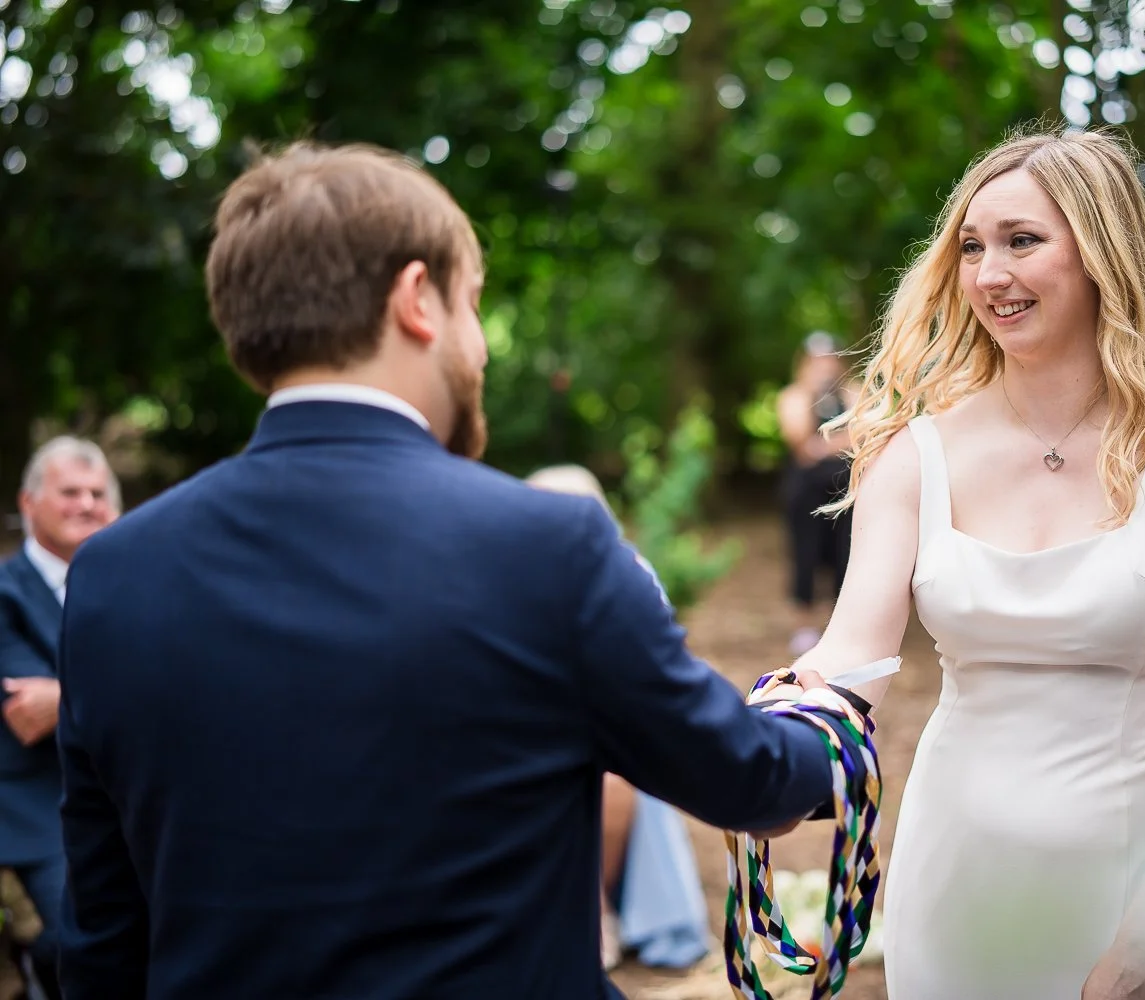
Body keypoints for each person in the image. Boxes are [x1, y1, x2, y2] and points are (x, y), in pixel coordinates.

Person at [53, 142, 866, 1000]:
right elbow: (747, 779)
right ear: (418, 301)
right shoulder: (548, 547)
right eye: (472, 304)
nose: (479, 348)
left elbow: (102, 938)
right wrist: (834, 721)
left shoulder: (113, 575)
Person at [788, 127, 1145, 998]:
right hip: (959, 881)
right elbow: (850, 655)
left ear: (1101, 255)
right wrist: (776, 735)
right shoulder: (914, 455)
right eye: (972, 247)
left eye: (1022, 241)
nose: (990, 274)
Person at [524, 465, 710, 973]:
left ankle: (594, 907)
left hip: (612, 729)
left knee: (613, 775)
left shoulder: (629, 576)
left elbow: (657, 679)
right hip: (527, 730)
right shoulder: (506, 580)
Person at [0, 436, 120, 1000]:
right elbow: (31, 714)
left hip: (133, 798)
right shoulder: (5, 595)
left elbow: (59, 703)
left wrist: (66, 693)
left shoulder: (133, 585)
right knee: (78, 942)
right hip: (40, 809)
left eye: (98, 493)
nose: (87, 504)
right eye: (70, 492)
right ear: (28, 503)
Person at [776, 332, 856, 656]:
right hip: (806, 492)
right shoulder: (795, 395)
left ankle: (840, 625)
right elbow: (798, 439)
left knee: (845, 554)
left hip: (845, 488)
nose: (825, 365)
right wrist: (814, 394)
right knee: (805, 554)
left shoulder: (852, 392)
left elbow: (864, 431)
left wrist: (822, 445)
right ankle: (803, 626)